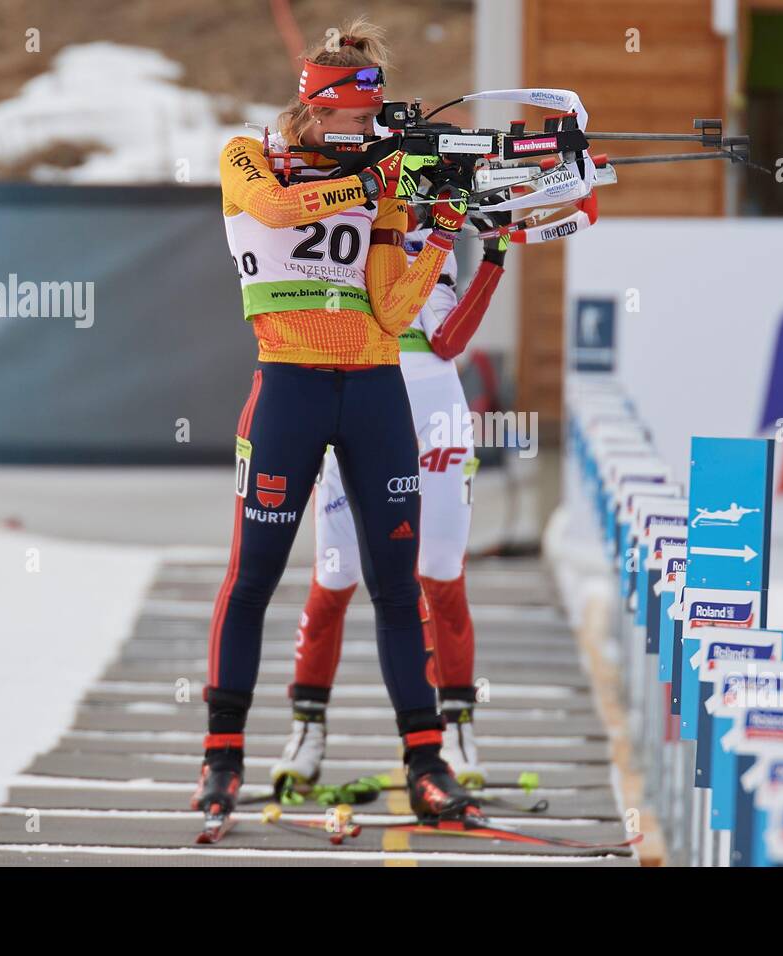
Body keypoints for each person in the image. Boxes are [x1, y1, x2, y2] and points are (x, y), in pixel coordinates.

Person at [193, 17, 478, 826]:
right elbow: (278, 210)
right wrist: (371, 178)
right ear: (318, 110)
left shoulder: (382, 177)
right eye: (358, 123)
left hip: (375, 385)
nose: (370, 134)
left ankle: (426, 763)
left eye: (376, 123)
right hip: (288, 384)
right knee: (253, 578)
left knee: (397, 586)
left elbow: (392, 308)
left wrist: (441, 225)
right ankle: (223, 758)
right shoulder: (250, 151)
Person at [273, 201, 510, 793]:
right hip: (353, 402)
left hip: (435, 419)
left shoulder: (436, 231)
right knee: (334, 577)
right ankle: (307, 728)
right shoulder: (346, 213)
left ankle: (455, 730)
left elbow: (449, 339)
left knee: (440, 574)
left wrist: (495, 253)